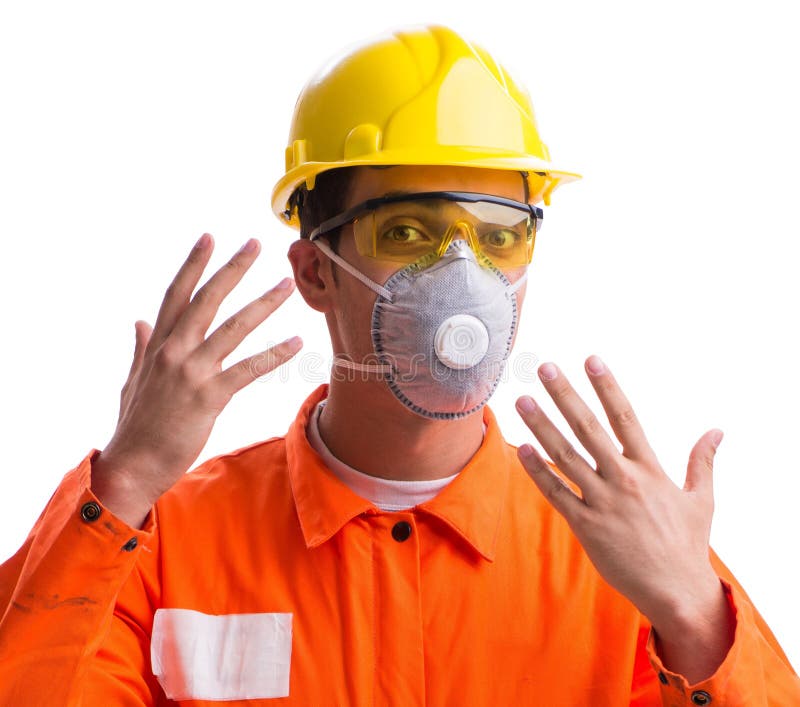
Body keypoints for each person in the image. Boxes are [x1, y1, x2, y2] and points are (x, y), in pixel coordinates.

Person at [0, 24, 797, 706]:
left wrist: (695, 614)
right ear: (315, 270)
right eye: (409, 233)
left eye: (498, 235)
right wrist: (126, 479)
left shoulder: (618, 552)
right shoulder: (169, 543)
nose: (464, 280)